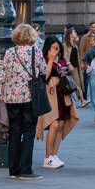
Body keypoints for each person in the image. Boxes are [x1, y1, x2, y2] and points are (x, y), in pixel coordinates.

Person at [0, 23, 48, 179]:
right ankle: (26, 169)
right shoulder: (35, 52)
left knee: (14, 132)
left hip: (11, 98)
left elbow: (2, 75)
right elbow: (44, 70)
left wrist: (1, 95)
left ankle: (13, 170)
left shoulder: (9, 52)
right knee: (28, 132)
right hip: (29, 97)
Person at [37, 33, 79, 169]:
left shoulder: (61, 59)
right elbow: (45, 77)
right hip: (51, 94)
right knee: (54, 124)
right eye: (54, 48)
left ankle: (54, 155)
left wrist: (64, 70)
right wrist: (50, 59)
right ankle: (47, 157)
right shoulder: (44, 59)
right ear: (48, 48)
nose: (56, 51)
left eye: (58, 48)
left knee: (61, 124)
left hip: (62, 94)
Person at [63, 27, 84, 101]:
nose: (76, 33)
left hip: (76, 66)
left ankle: (80, 99)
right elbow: (65, 55)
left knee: (77, 82)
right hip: (70, 66)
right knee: (77, 82)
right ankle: (82, 100)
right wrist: (69, 64)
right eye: (74, 32)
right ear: (70, 34)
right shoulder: (65, 44)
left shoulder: (75, 44)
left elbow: (78, 55)